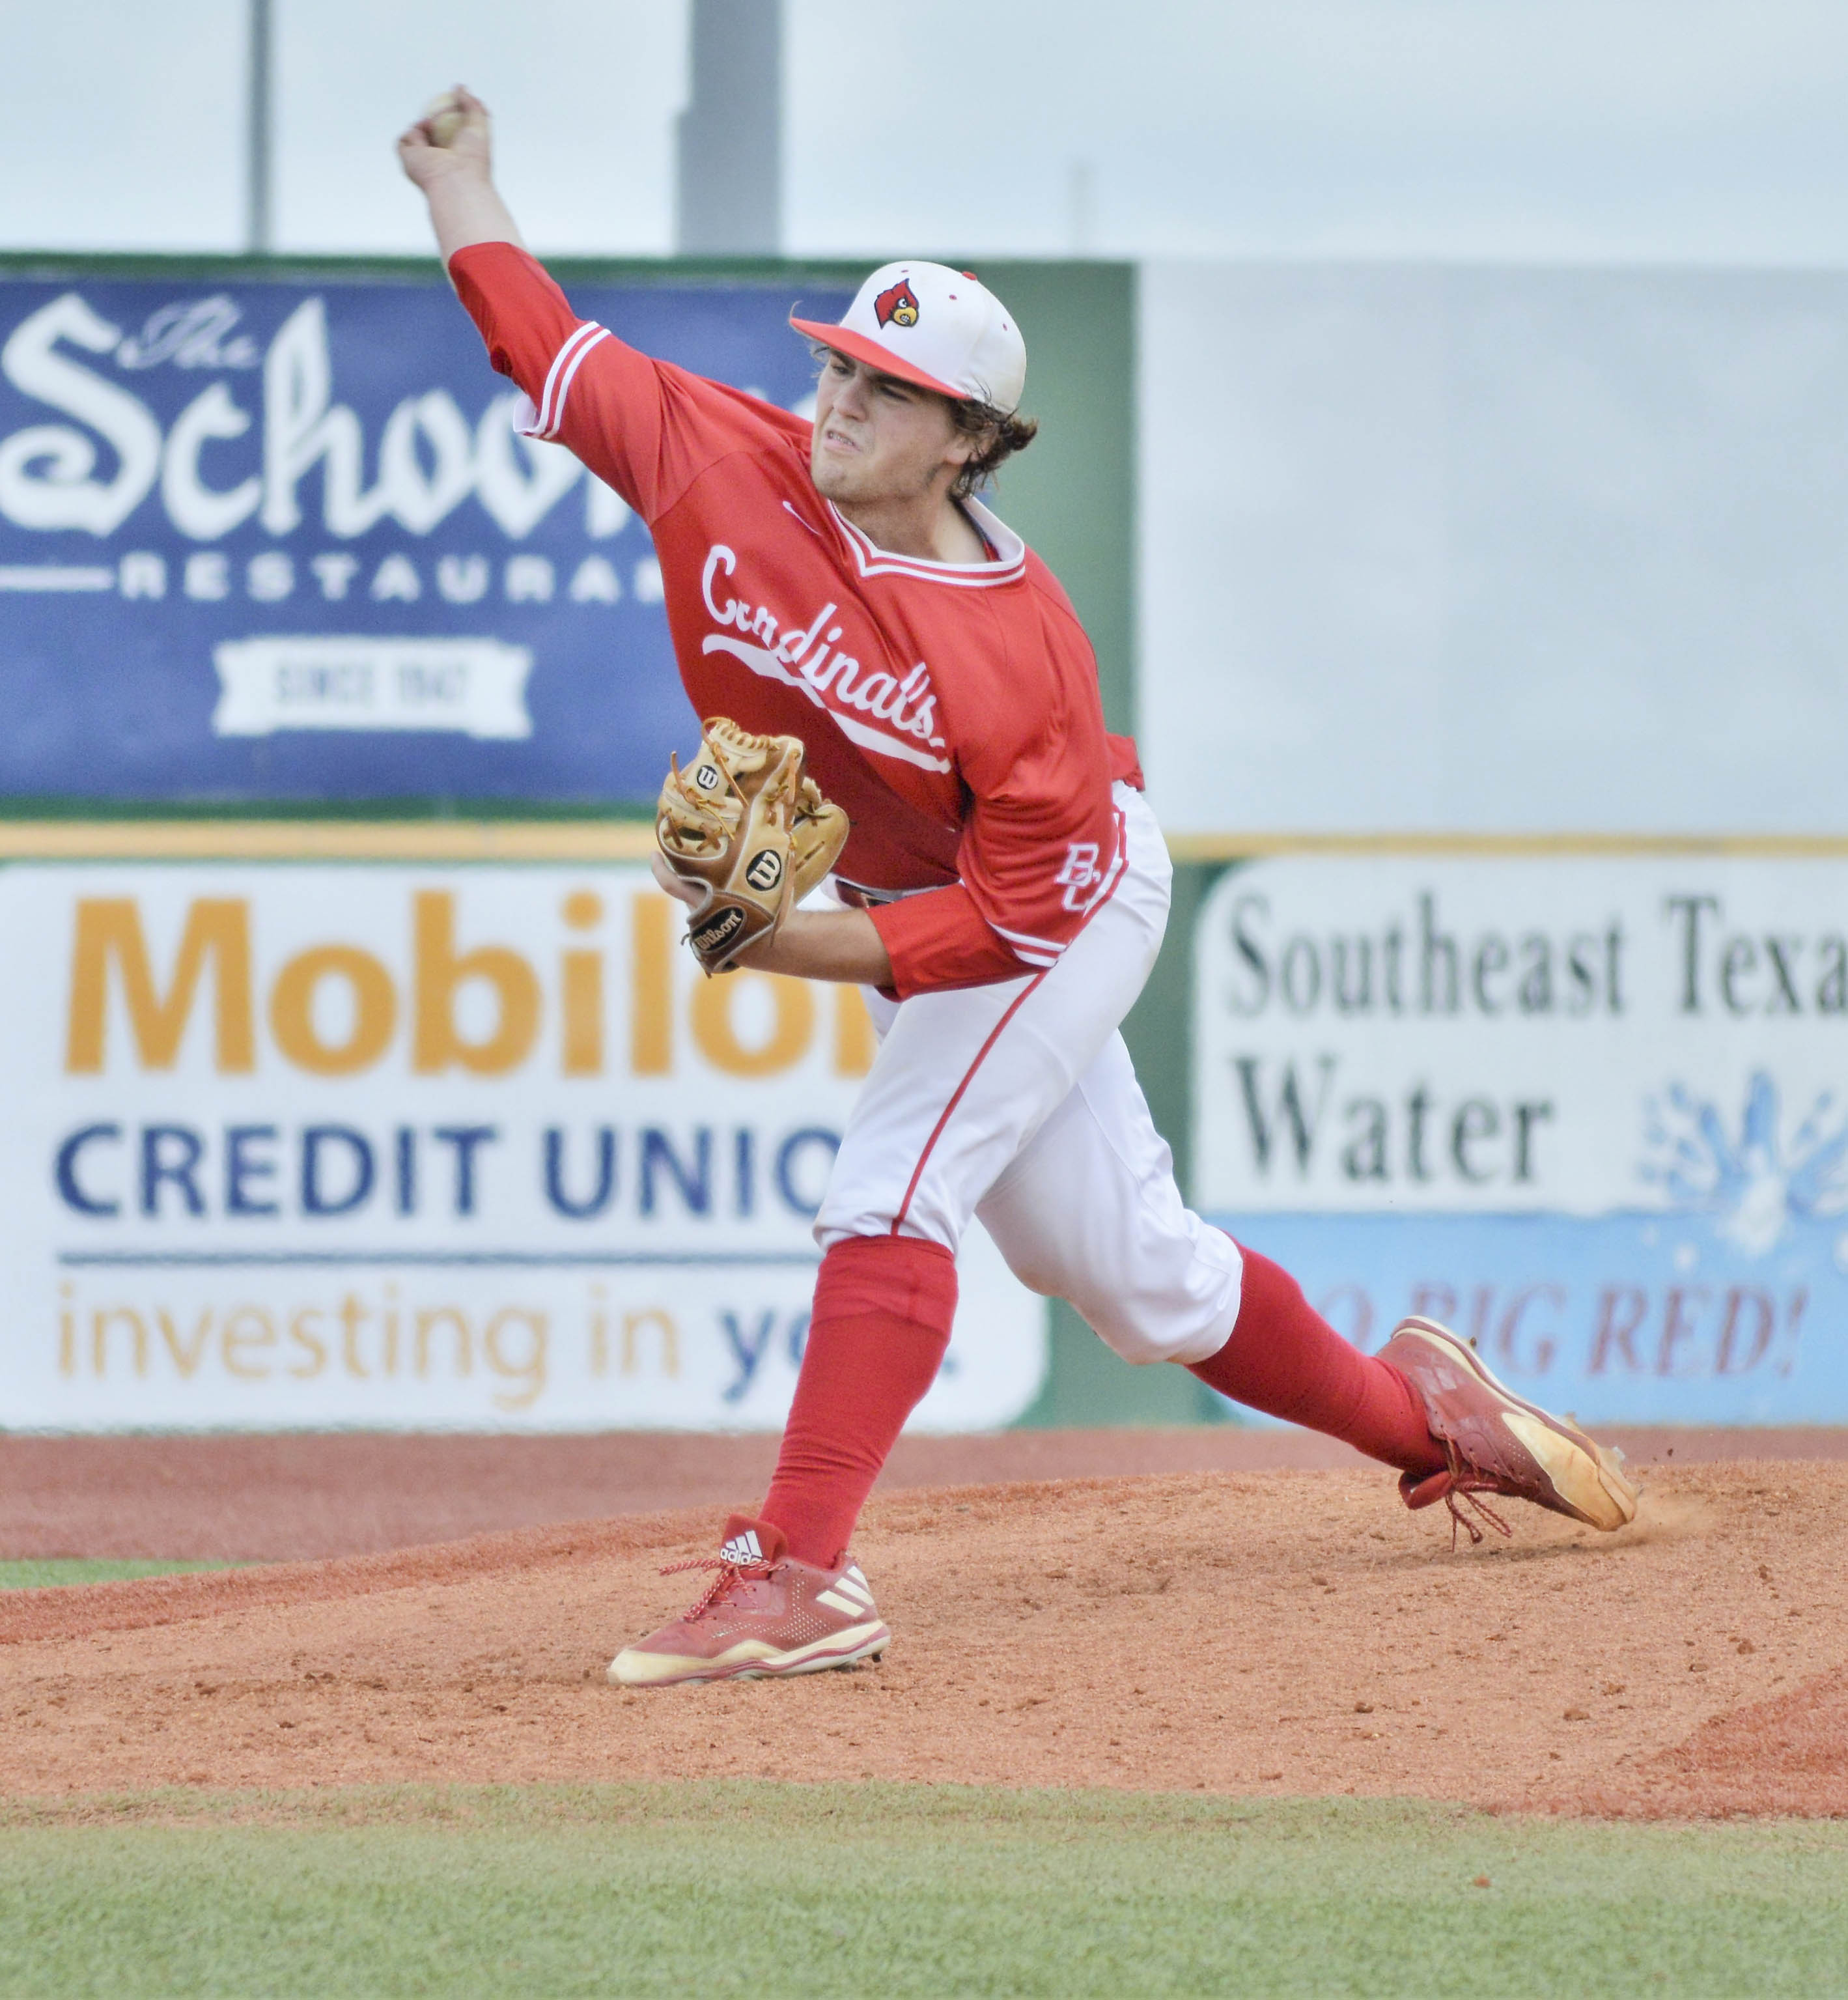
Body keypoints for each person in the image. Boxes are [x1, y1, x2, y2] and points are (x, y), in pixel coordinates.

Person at [399, 89, 1638, 1687]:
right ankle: (1434, 1418)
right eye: (840, 365)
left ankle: (801, 1574)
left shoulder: (1019, 649)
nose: (843, 399)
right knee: (1131, 1281)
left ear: (969, 441)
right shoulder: (717, 457)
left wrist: (783, 943)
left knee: (893, 1185)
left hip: (1061, 905)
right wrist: (463, 183)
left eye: (891, 387)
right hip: (938, 904)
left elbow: (1010, 925)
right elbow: (543, 341)